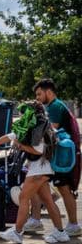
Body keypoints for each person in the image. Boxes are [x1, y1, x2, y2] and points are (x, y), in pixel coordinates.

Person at [0, 100, 70, 244]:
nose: (22, 114)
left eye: (24, 111)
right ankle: (60, 233)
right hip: (43, 169)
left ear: (31, 112)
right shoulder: (36, 124)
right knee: (48, 201)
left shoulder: (38, 127)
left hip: (39, 169)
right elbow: (11, 135)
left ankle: (17, 232)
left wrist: (20, 146)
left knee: (23, 198)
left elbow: (37, 150)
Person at [34, 79, 80, 236]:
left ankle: (73, 224)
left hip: (63, 155)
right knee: (61, 187)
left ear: (49, 92)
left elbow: (50, 130)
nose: (38, 97)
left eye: (40, 94)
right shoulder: (57, 105)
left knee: (64, 188)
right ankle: (36, 219)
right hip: (64, 154)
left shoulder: (54, 107)